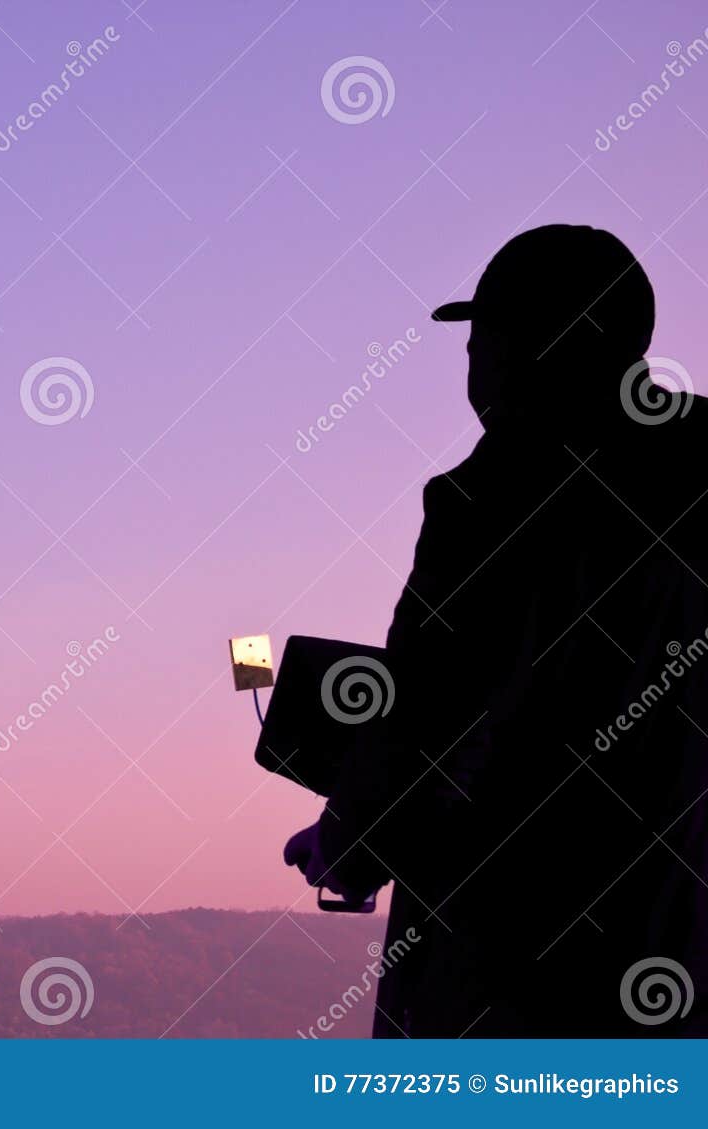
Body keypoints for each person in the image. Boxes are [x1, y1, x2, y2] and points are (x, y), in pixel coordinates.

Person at [284, 224, 708, 1036]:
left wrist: (344, 840)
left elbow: (418, 720)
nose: (473, 366)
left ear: (530, 351)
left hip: (514, 976)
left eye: (482, 342)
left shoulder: (492, 495)